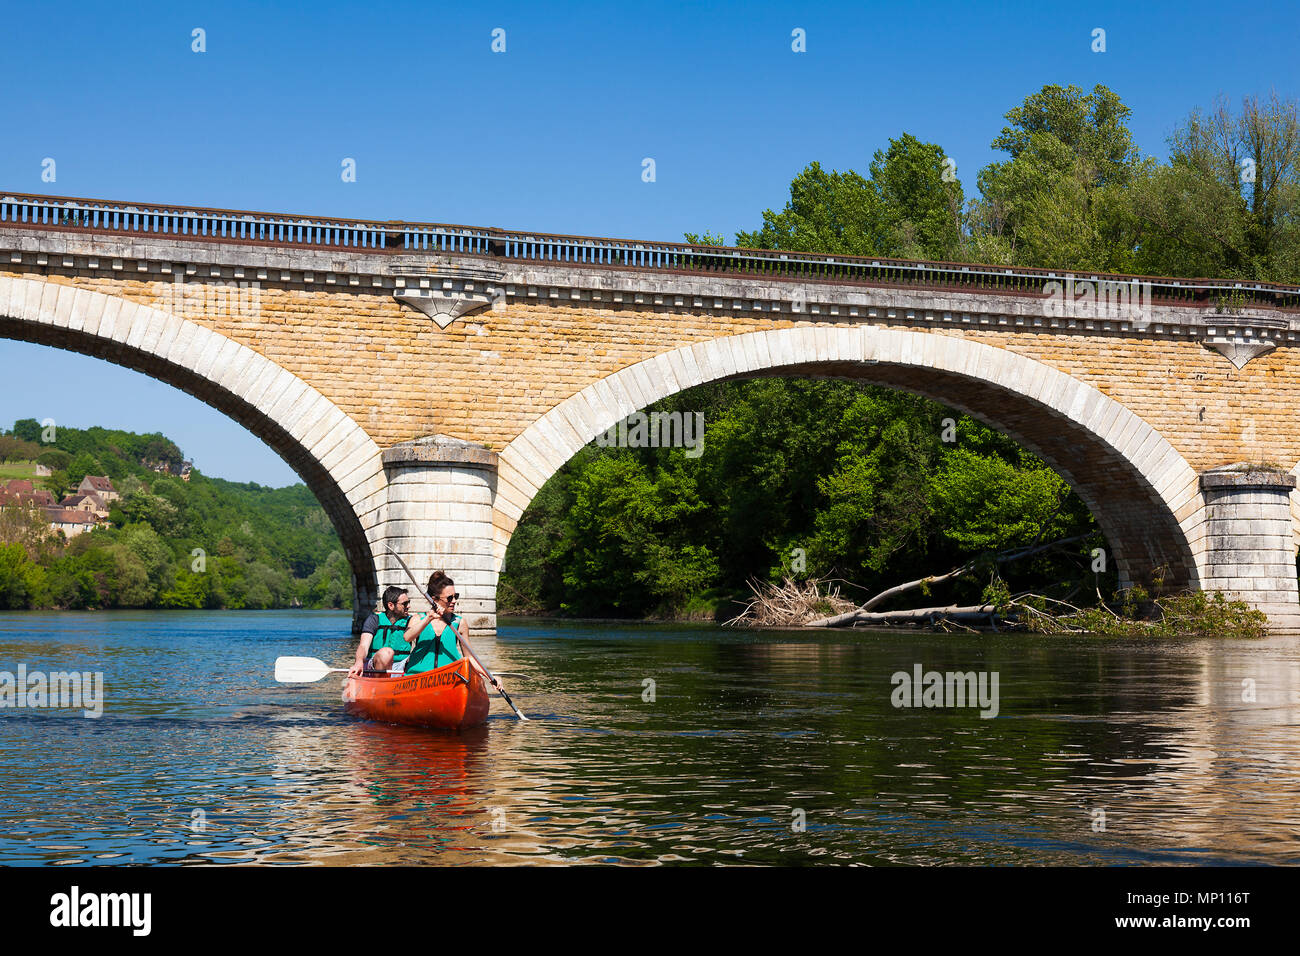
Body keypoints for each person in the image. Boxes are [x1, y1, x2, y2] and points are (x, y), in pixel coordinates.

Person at [403, 571, 503, 692]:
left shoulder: (459, 623)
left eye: (456, 596)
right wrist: (429, 618)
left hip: (449, 680)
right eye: (450, 598)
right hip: (419, 679)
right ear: (434, 599)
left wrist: (490, 677)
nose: (454, 601)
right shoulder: (418, 619)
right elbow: (407, 637)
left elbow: (470, 658)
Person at [348, 585, 414, 677]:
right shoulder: (374, 620)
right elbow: (363, 646)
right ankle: (381, 684)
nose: (409, 606)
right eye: (405, 604)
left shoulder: (411, 621)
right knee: (386, 653)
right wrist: (359, 662)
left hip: (400, 667)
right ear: (391, 605)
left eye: (409, 602)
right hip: (375, 666)